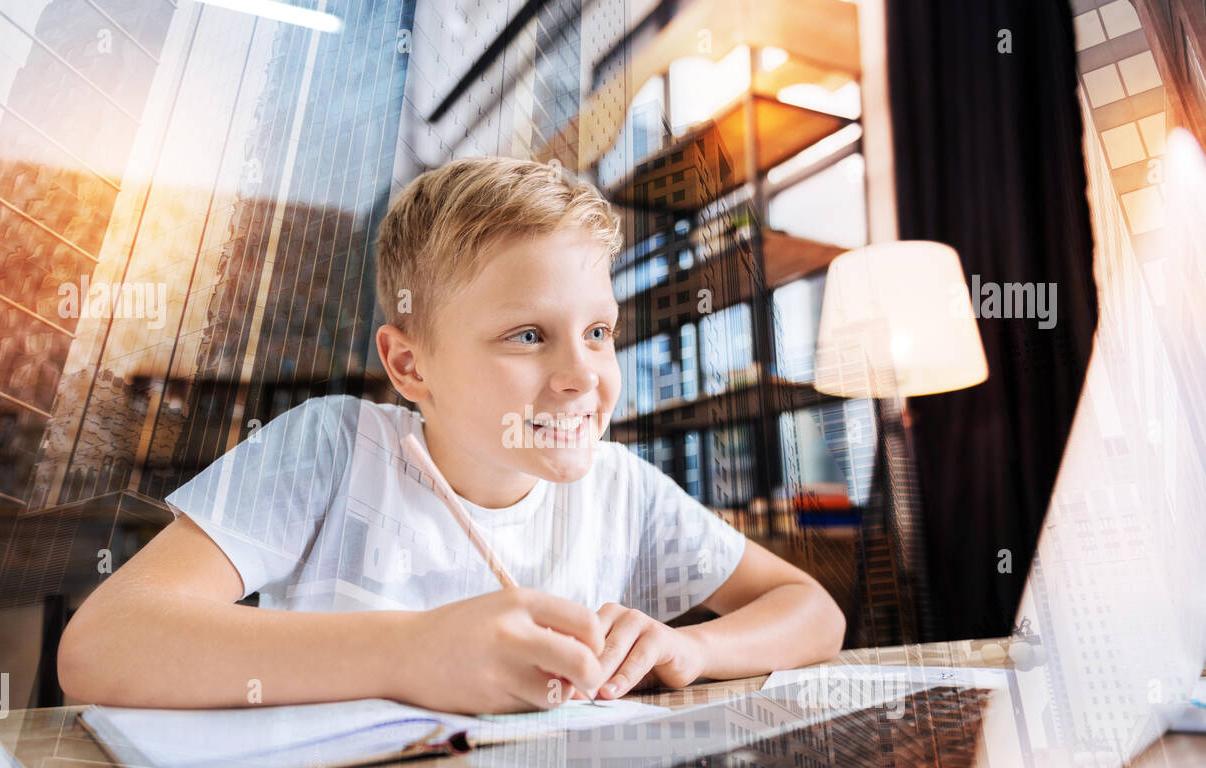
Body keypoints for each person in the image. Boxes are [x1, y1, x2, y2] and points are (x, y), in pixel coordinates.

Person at [58, 156, 845, 713]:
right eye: (529, 336)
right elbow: (101, 643)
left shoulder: (622, 489)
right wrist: (413, 652)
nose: (583, 375)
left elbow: (813, 610)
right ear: (410, 365)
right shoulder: (333, 448)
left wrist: (695, 651)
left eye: (599, 331)